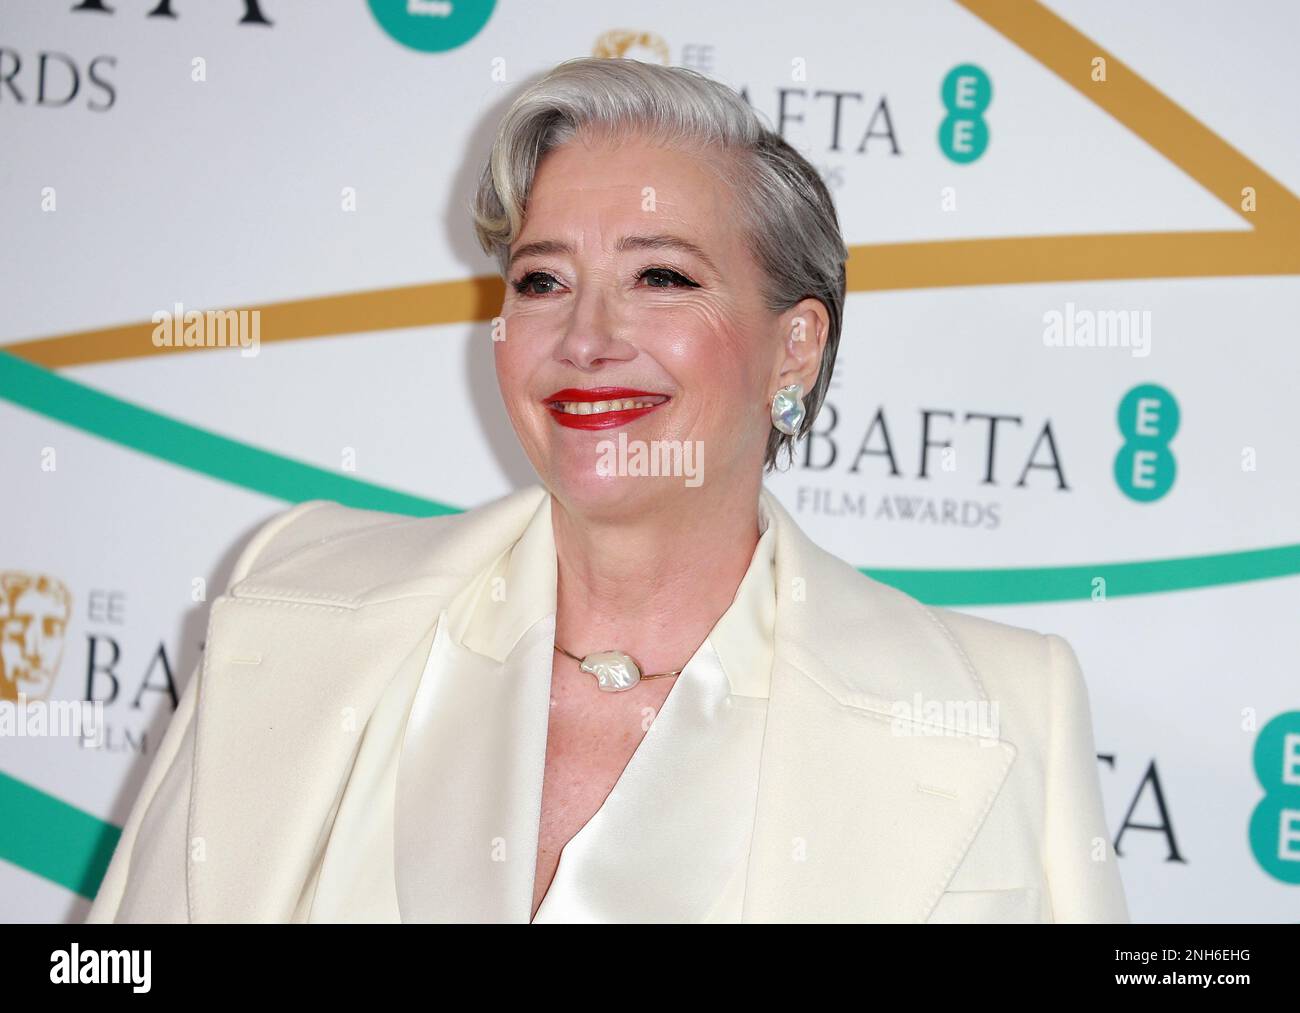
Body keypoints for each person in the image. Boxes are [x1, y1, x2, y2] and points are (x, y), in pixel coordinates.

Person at [86, 57, 1128, 923]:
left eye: (660, 277)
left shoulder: (996, 707)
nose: (584, 340)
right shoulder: (304, 601)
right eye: (541, 279)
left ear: (793, 350)